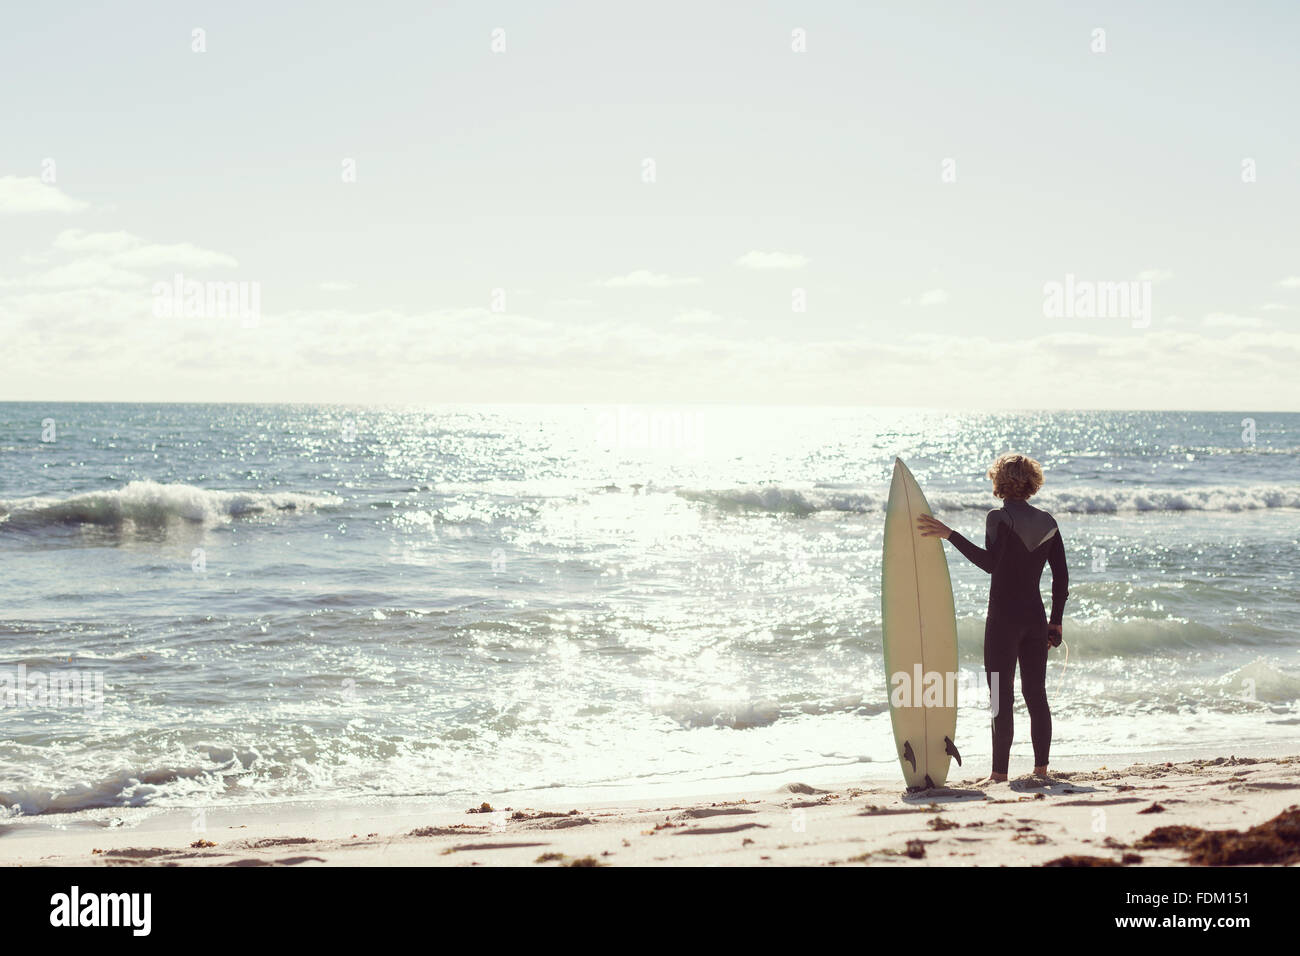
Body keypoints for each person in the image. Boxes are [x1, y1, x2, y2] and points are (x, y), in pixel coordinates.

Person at [916, 453, 1068, 782]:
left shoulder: (997, 518)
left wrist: (949, 534)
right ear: (1032, 483)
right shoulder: (1049, 523)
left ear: (1000, 482)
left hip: (1004, 618)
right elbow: (1061, 578)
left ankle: (999, 775)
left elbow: (990, 564)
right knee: (1036, 694)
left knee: (1000, 694)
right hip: (1035, 617)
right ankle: (1041, 770)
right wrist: (1056, 622)